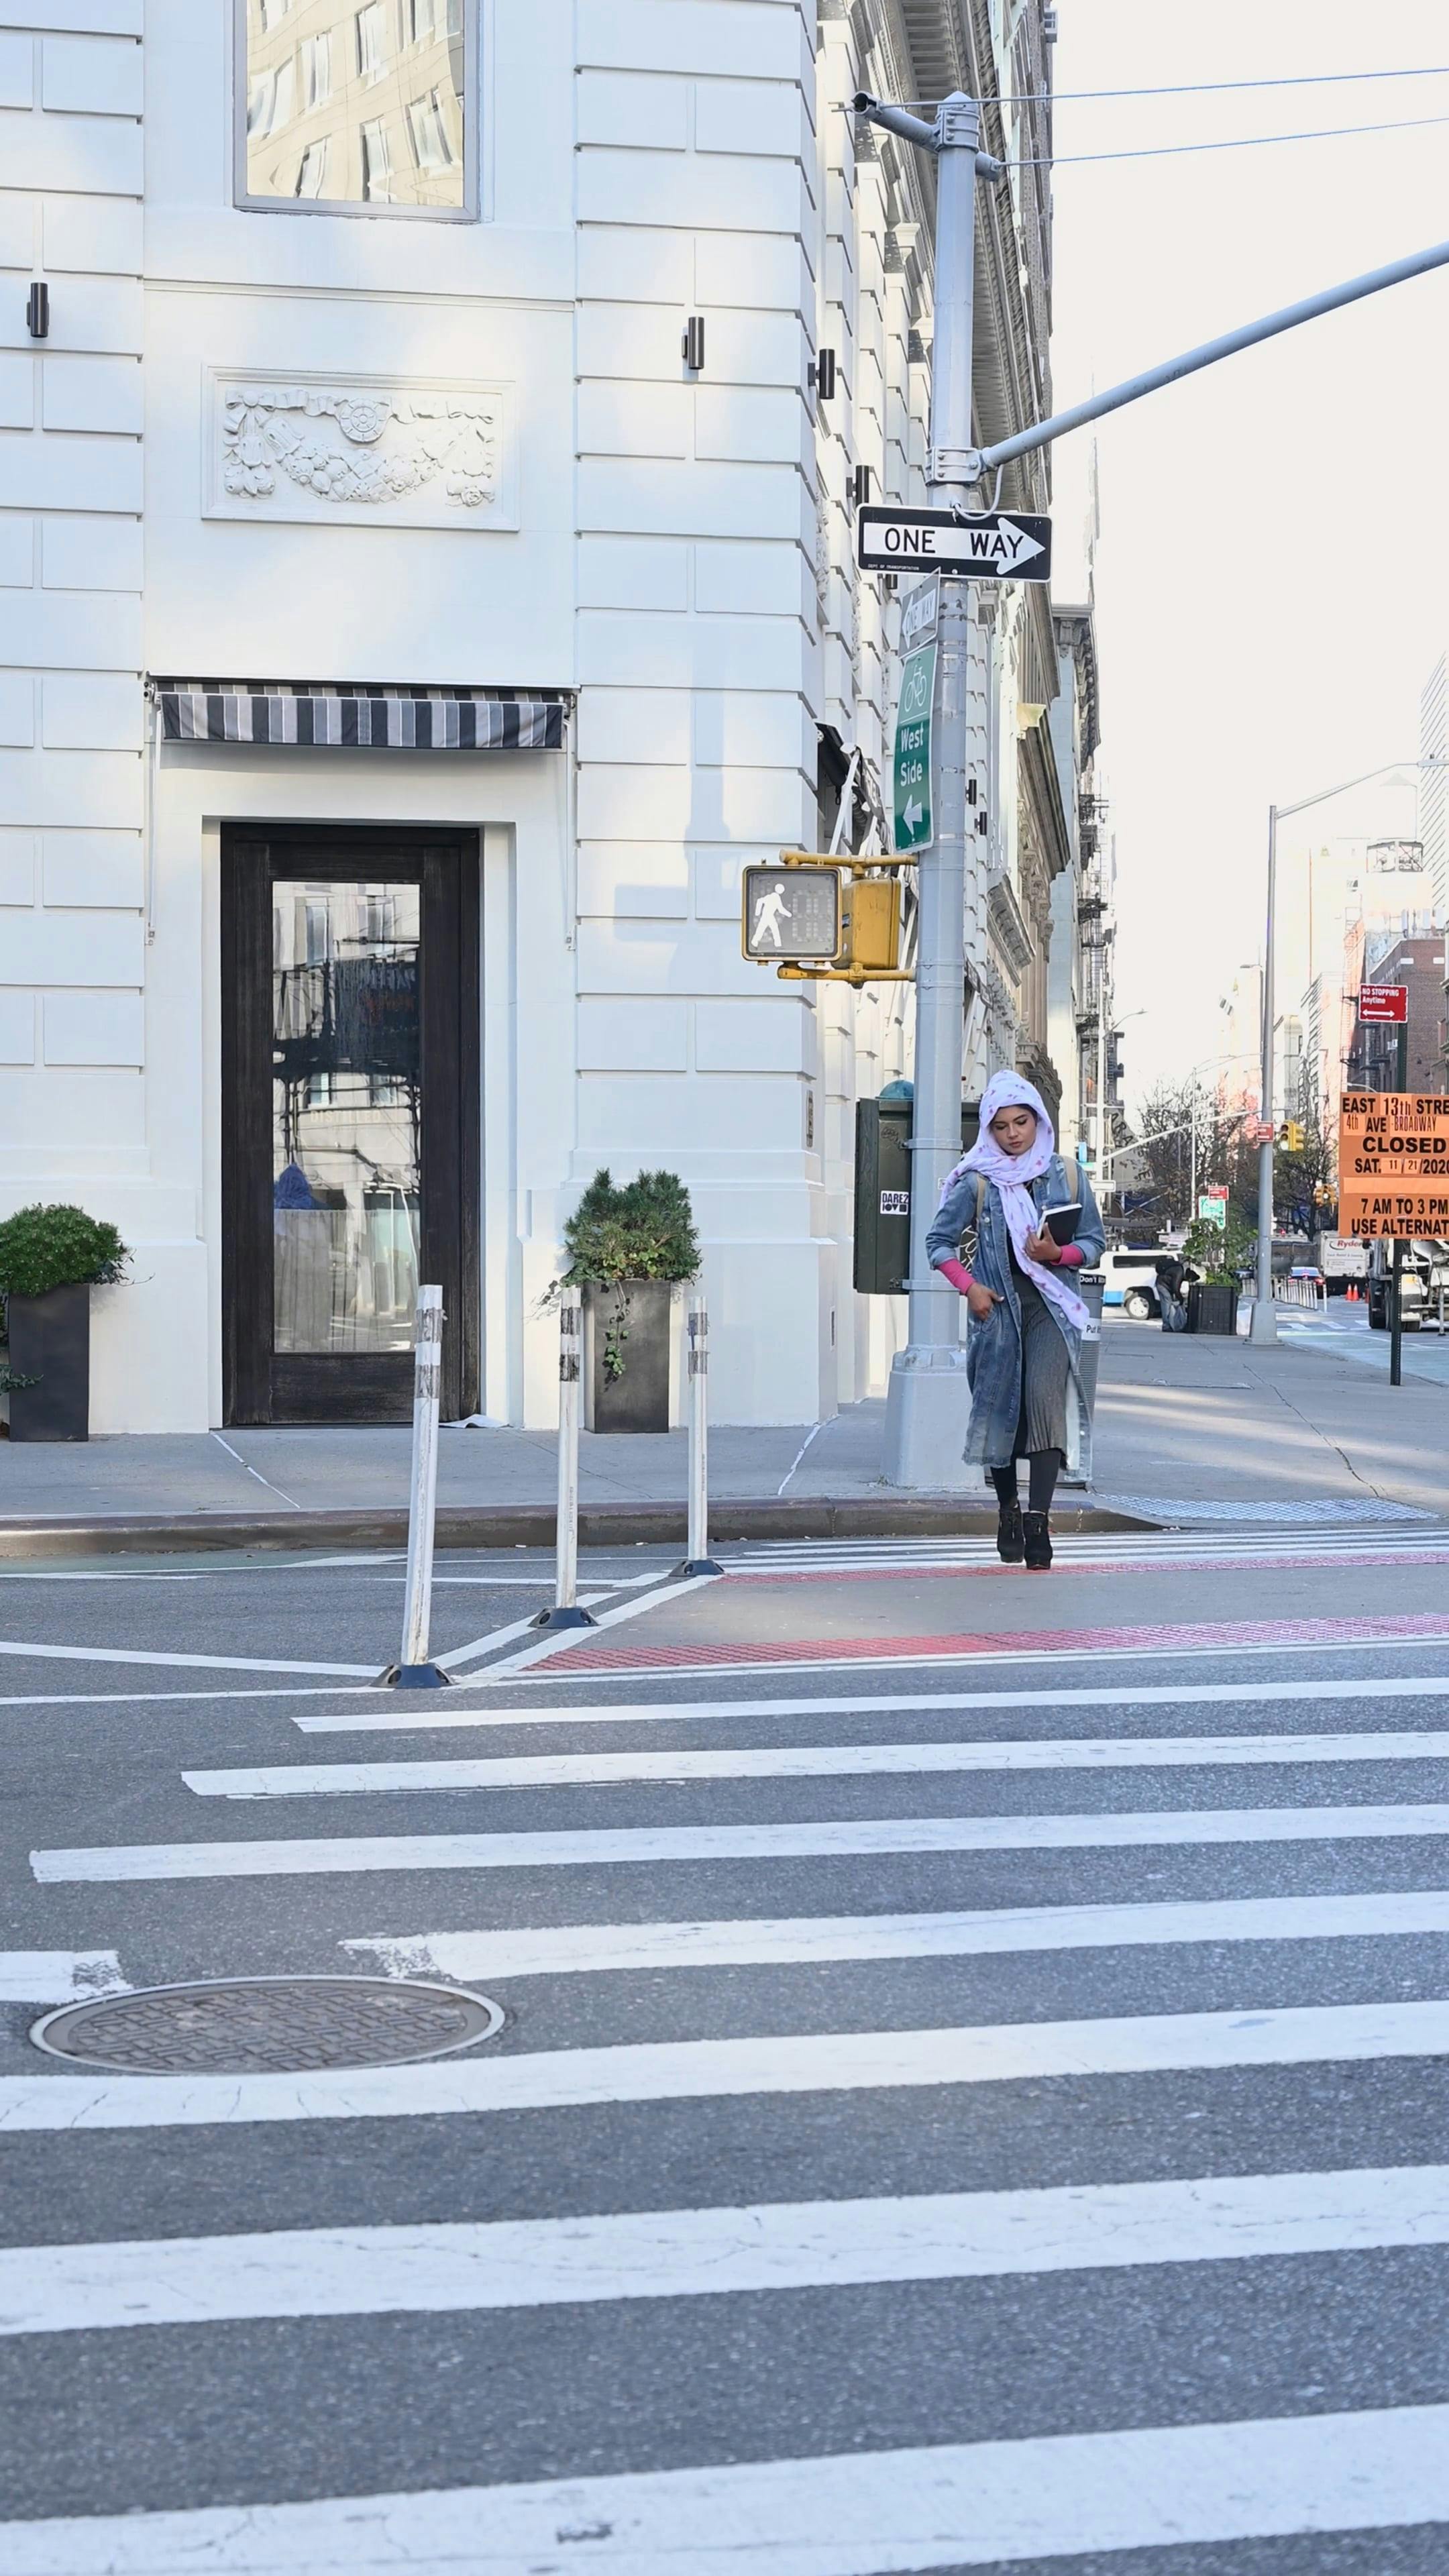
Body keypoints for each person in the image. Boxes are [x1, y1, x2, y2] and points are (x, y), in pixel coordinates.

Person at [926, 1071, 1106, 1570]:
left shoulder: (1066, 1174)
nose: (1013, 1134)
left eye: (1022, 1122)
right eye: (1001, 1125)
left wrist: (1059, 1252)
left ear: (1039, 1121)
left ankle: (1038, 1521)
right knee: (1002, 1413)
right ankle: (1008, 1511)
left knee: (1044, 1407)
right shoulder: (976, 1181)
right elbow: (937, 1245)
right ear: (989, 1129)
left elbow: (1094, 1243)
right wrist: (971, 1288)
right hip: (997, 1314)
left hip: (1050, 1312)